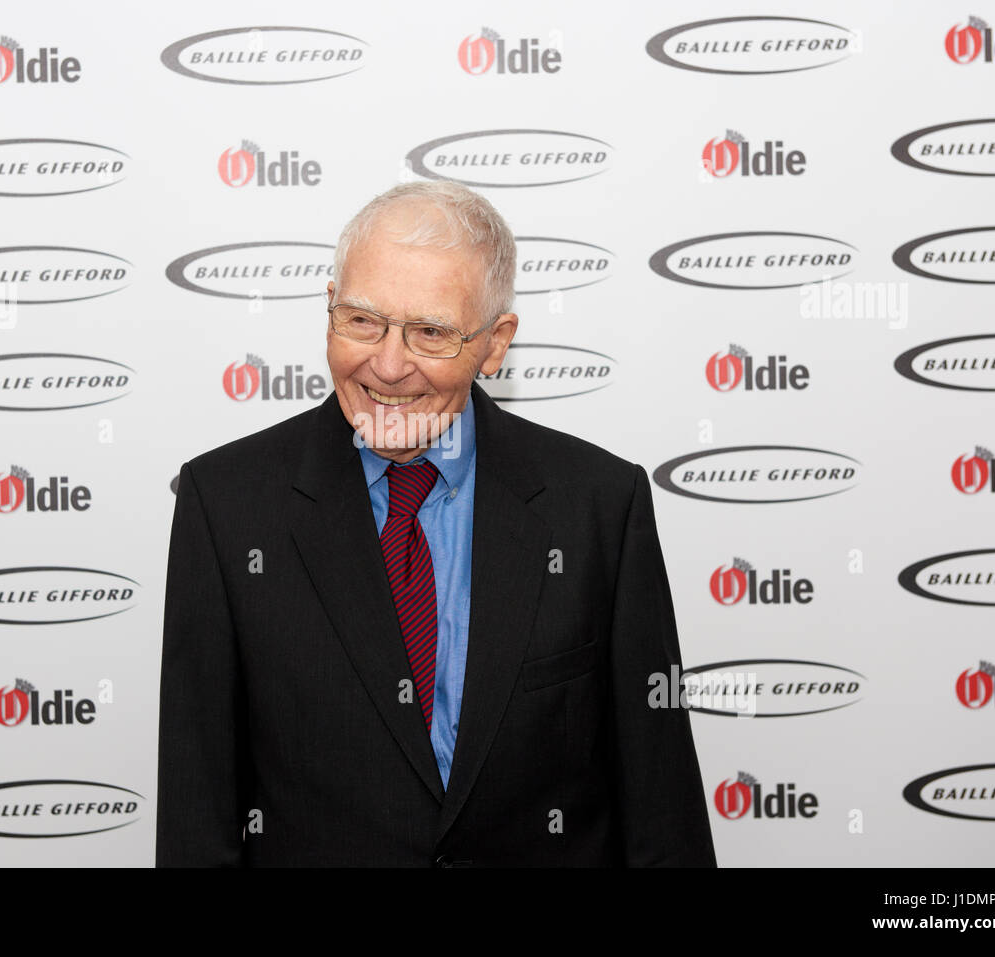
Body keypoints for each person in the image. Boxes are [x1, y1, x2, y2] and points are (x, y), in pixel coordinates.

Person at [157, 181, 716, 866]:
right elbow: (197, 814)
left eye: (430, 332)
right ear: (328, 306)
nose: (388, 365)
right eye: (362, 321)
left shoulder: (599, 504)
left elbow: (663, 811)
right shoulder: (227, 505)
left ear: (496, 342)